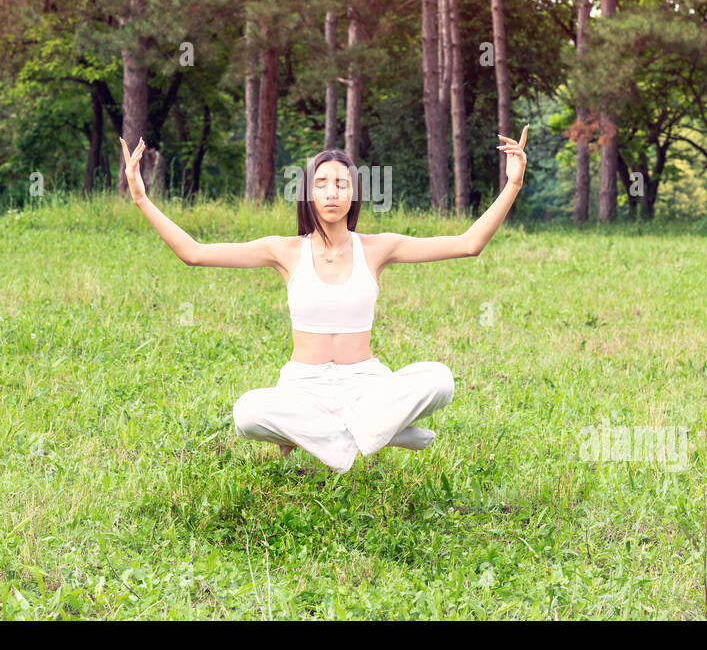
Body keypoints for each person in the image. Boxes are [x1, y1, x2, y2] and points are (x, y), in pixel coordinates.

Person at [119, 127, 529, 474]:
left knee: (440, 380)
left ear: (354, 194)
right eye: (321, 183)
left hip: (365, 385)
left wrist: (512, 184)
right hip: (303, 388)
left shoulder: (378, 247)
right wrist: (140, 198)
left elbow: (468, 244)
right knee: (246, 413)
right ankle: (374, 434)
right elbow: (194, 253)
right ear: (307, 193)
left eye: (341, 183)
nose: (331, 192)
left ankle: (334, 435)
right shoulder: (283, 250)